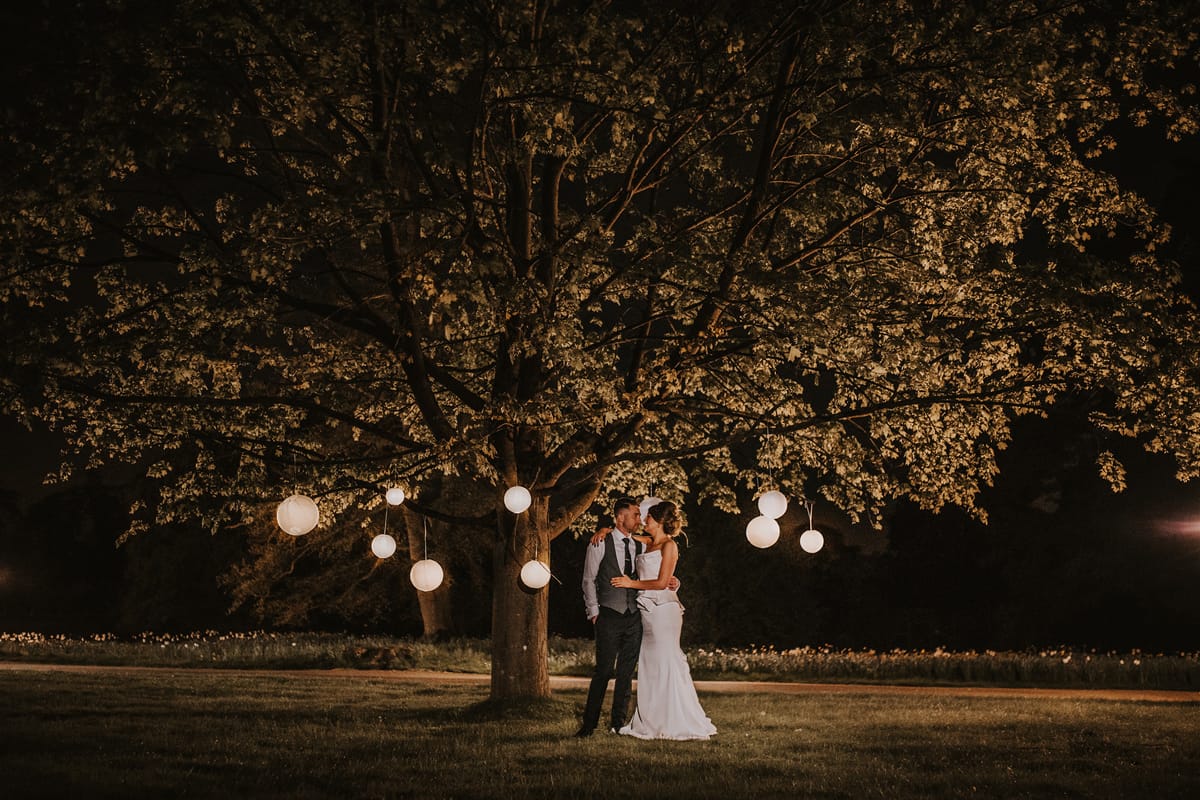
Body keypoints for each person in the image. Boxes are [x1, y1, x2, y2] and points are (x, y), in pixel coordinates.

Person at [611, 501, 716, 741]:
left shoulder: (669, 546)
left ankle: (674, 718)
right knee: (650, 664)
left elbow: (660, 582)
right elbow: (626, 536)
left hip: (663, 611)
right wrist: (607, 530)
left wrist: (630, 583)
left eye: (648, 518)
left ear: (658, 521)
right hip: (647, 611)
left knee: (666, 661)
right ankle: (651, 719)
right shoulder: (649, 543)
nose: (643, 521)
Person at [576, 496, 646, 737]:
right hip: (608, 615)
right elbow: (588, 579)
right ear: (620, 517)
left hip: (633, 616)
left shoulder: (639, 544)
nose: (639, 519)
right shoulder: (600, 542)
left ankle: (618, 724)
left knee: (626, 673)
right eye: (635, 514)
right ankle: (588, 725)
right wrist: (594, 612)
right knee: (604, 671)